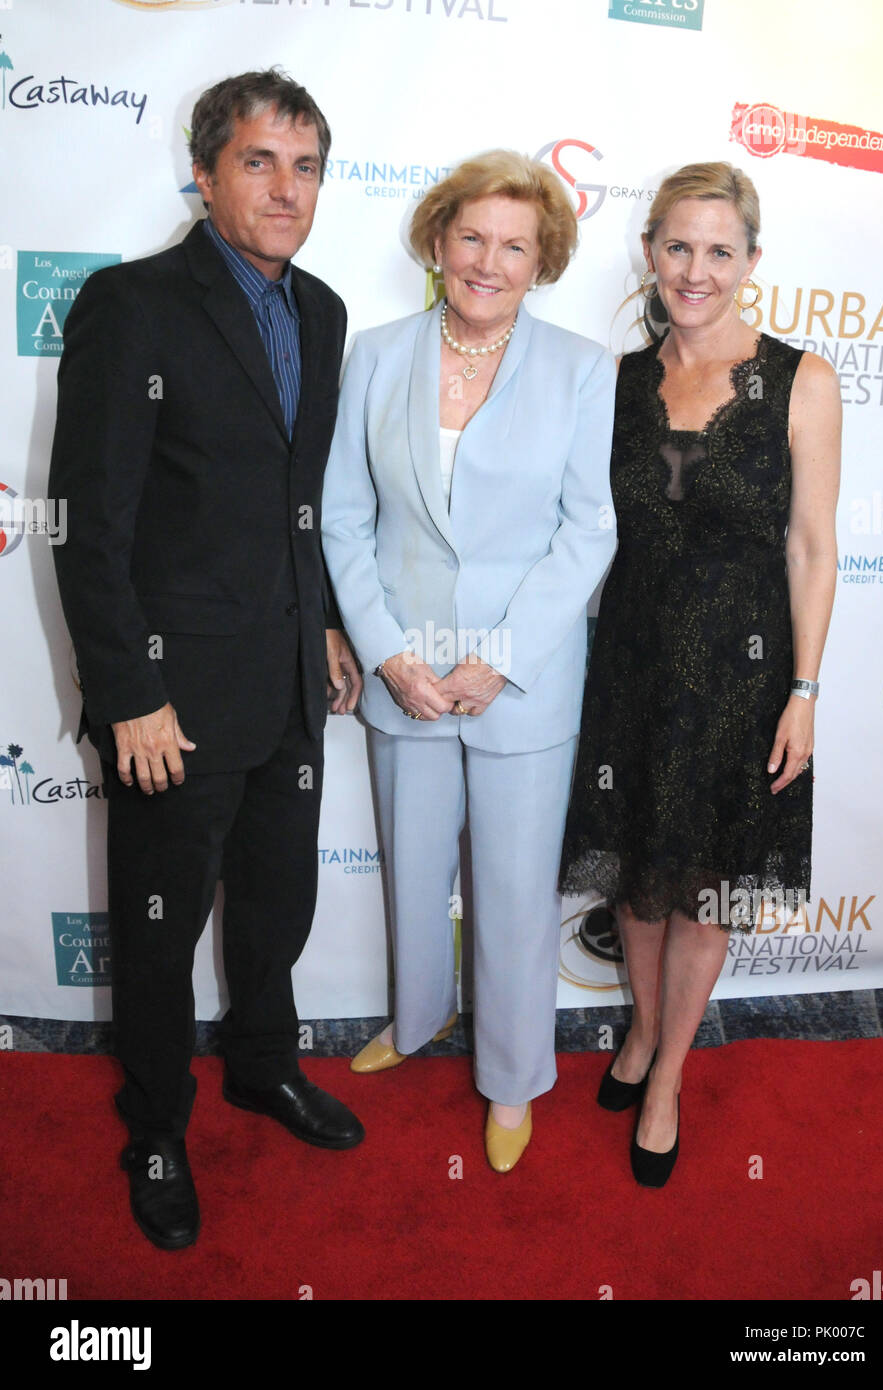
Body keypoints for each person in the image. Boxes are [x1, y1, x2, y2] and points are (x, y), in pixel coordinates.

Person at [48, 69, 365, 1250]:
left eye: (307, 166)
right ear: (204, 170)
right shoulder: (133, 305)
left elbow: (304, 504)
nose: (286, 190)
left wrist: (323, 622)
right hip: (171, 700)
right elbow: (91, 521)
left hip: (287, 683)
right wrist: (128, 692)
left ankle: (261, 1068)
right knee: (160, 928)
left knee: (277, 908)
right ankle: (157, 1125)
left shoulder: (323, 313)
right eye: (258, 162)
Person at [321, 151, 616, 1173]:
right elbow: (346, 522)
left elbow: (588, 533)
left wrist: (497, 661)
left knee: (513, 887)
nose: (489, 261)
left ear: (543, 261)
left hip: (519, 688)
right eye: (472, 237)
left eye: (515, 244)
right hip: (404, 675)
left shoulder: (583, 369)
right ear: (438, 242)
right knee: (412, 870)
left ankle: (512, 1077)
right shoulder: (375, 354)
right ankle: (415, 1021)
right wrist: (391, 654)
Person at [561, 162, 841, 1187]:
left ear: (752, 263)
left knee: (705, 891)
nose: (696, 269)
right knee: (638, 880)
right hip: (631, 667)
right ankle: (639, 1031)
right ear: (649, 252)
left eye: (720, 250)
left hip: (743, 680)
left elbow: (814, 548)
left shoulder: (801, 381)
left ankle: (669, 1071)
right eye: (678, 245)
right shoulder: (617, 381)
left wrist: (804, 691)